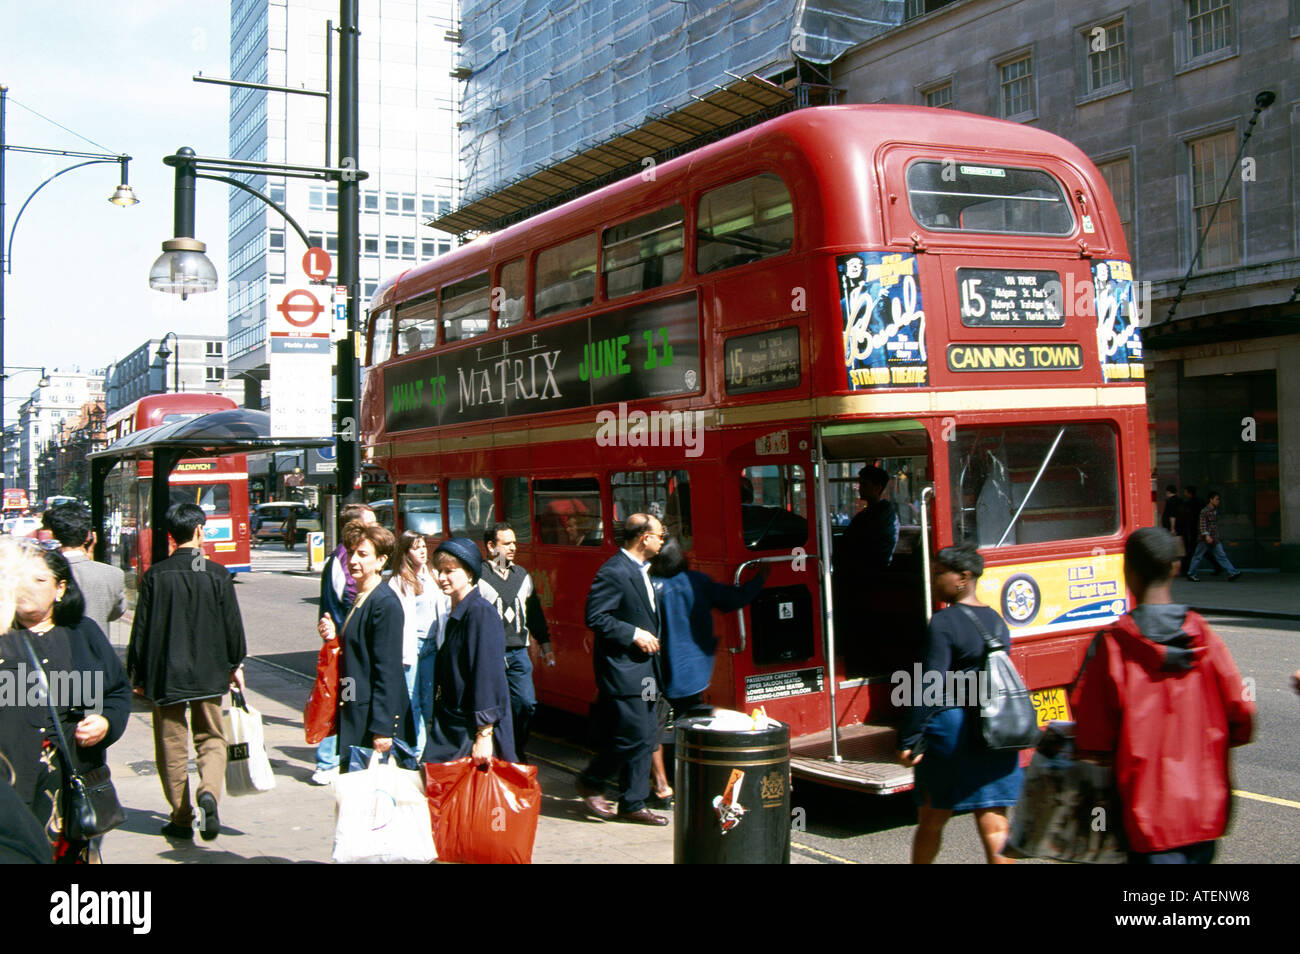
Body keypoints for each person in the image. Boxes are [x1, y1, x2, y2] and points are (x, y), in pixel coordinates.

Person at [1071, 527, 1254, 863]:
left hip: (1146, 816)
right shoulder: (1204, 636)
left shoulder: (1112, 647)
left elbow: (1092, 737)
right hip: (1204, 810)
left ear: (1128, 572)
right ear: (1174, 568)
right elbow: (1242, 714)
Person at [896, 544, 1023, 864]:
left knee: (932, 818)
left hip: (952, 732)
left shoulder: (943, 621)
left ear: (963, 578)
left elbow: (929, 682)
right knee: (995, 825)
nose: (934, 578)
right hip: (994, 731)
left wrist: (910, 737)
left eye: (940, 573)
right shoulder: (996, 621)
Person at [1, 546, 130, 861]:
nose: (26, 587)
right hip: (12, 778)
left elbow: (116, 691)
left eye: (39, 579)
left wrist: (106, 723)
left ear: (60, 588)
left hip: (69, 778)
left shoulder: (81, 633)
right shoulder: (5, 636)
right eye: (20, 578)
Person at [127, 502, 247, 842]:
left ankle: (181, 817)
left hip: (167, 675)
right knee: (211, 737)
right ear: (199, 531)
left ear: (170, 535)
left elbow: (141, 630)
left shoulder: (155, 576)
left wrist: (136, 673)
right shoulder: (218, 573)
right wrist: (234, 664)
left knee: (171, 746)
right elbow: (232, 628)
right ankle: (208, 791)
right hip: (209, 673)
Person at [645, 538, 769, 802]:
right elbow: (734, 599)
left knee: (649, 726)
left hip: (654, 674)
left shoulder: (651, 587)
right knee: (693, 714)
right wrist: (760, 578)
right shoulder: (697, 581)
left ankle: (662, 787)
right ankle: (743, 724)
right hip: (692, 672)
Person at [577, 513, 669, 826]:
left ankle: (632, 802)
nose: (662, 539)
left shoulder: (643, 570)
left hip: (645, 671)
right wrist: (635, 634)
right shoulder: (615, 571)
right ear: (644, 538)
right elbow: (596, 616)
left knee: (645, 736)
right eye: (659, 534)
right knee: (633, 737)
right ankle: (592, 779)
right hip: (624, 671)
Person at [317, 522, 412, 771]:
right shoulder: (361, 597)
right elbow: (356, 655)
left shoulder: (384, 603)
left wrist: (382, 728)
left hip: (372, 720)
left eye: (362, 554)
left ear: (381, 561)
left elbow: (388, 670)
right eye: (350, 553)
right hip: (355, 708)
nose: (353, 560)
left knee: (369, 800)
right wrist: (334, 638)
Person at [421, 536, 516, 765]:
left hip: (469, 729)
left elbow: (487, 675)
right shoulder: (460, 612)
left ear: (470, 573)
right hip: (454, 725)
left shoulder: (479, 613)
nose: (442, 577)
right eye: (439, 571)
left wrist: (484, 734)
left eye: (449, 571)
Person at [478, 522, 553, 762]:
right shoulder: (478, 576)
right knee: (495, 707)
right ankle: (506, 754)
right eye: (506, 543)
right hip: (491, 654)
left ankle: (516, 748)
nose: (512, 547)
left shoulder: (522, 576)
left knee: (525, 704)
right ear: (491, 546)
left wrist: (545, 644)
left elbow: (534, 613)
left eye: (513, 542)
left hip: (519, 653)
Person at [312, 502, 376, 784]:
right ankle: (328, 761)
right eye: (370, 523)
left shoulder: (342, 559)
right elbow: (353, 601)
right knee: (342, 698)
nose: (376, 528)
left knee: (342, 698)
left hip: (340, 640)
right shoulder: (346, 562)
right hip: (344, 644)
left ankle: (336, 759)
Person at [387, 530, 449, 758]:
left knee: (428, 702)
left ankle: (421, 746)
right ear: (405, 552)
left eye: (423, 546)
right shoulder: (398, 581)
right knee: (413, 701)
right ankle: (418, 750)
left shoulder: (434, 575)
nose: (422, 551)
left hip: (432, 646)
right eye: (416, 547)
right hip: (412, 648)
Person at [42, 502, 126, 638]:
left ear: (54, 535)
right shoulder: (113, 574)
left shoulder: (44, 573)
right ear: (89, 536)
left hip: (56, 650)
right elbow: (117, 611)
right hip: (96, 652)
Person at [838, 465, 899, 573]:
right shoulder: (872, 513)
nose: (860, 489)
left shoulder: (880, 515)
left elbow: (858, 543)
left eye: (864, 485)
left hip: (871, 571)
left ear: (877, 488)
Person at [1186, 491, 1241, 583]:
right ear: (1211, 500)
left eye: (1218, 499)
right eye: (1216, 499)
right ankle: (1191, 573)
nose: (1218, 501)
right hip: (1205, 539)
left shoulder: (1214, 511)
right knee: (1198, 556)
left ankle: (1232, 572)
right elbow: (1202, 525)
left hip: (1214, 538)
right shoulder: (1205, 511)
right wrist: (1206, 535)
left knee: (1221, 555)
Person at [1179, 486, 1207, 576]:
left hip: (1192, 530)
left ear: (1189, 493)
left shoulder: (1188, 504)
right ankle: (1217, 565)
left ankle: (1187, 570)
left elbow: (1185, 518)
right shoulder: (1201, 502)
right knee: (1203, 550)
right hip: (1199, 529)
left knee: (1191, 551)